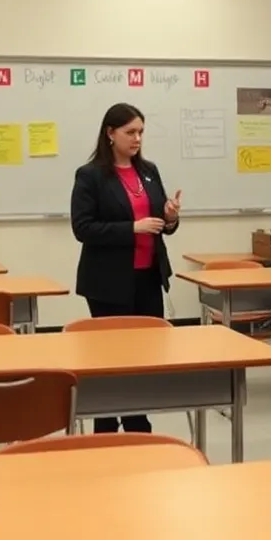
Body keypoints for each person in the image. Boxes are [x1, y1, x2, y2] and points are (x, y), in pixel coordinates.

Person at [70, 102, 181, 434]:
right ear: (110, 133)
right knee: (111, 358)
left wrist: (171, 218)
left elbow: (160, 223)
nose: (137, 139)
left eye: (141, 132)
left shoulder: (149, 171)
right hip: (108, 282)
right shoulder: (90, 175)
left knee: (143, 356)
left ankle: (137, 420)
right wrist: (131, 228)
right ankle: (105, 423)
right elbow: (83, 228)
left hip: (148, 275)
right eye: (130, 132)